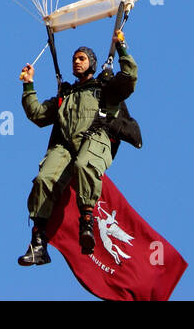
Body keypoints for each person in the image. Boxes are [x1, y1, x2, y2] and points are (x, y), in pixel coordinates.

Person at [17, 29, 137, 266]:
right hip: (65, 146)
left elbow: (129, 77)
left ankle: (87, 222)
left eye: (81, 58)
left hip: (95, 139)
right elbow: (38, 115)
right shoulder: (66, 95)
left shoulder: (105, 88)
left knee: (84, 165)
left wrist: (121, 47)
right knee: (43, 179)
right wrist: (29, 85)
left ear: (91, 63)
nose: (76, 61)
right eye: (74, 58)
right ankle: (39, 243)